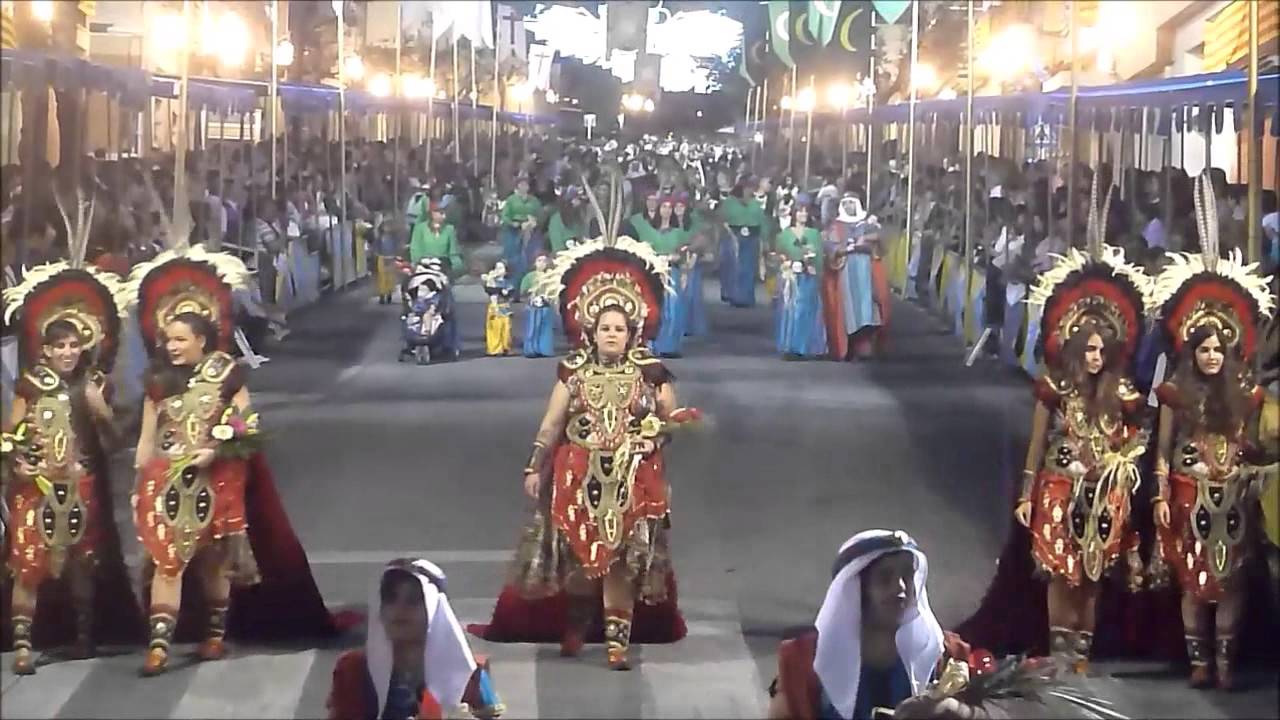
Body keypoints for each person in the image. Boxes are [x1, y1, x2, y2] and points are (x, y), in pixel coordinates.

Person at [469, 198, 696, 670]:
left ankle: (616, 644)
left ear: (632, 330)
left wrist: (655, 435)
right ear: (590, 331)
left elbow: (672, 418)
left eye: (619, 327)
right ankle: (574, 628)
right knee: (578, 563)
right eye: (604, 328)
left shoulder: (650, 370)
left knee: (619, 564)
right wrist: (535, 465)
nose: (612, 334)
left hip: (633, 479)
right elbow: (552, 422)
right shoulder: (572, 371)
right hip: (577, 476)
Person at [959, 181, 1159, 671]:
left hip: (1104, 497)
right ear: (1073, 348)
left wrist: (1124, 462)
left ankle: (1082, 651)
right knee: (1056, 572)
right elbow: (1037, 441)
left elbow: (1141, 437)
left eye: (1101, 351)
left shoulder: (1125, 395)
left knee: (1091, 576)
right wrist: (1028, 493)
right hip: (1056, 488)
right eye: (1087, 349)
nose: (1094, 357)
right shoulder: (1054, 388)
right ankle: (1057, 645)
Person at [129, 246, 351, 676]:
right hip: (167, 484)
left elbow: (247, 424)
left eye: (180, 339)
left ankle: (214, 635)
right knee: (167, 562)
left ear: (201, 339)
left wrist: (215, 448)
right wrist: (139, 487)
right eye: (167, 339)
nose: (172, 346)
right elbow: (145, 439)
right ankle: (158, 646)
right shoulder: (158, 379)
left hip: (215, 483)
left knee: (214, 563)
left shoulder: (227, 374)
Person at [1147, 174, 1277, 690]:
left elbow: (1255, 444)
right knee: (1191, 580)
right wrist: (1159, 494)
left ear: (1228, 354)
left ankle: (1225, 664)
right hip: (1185, 491)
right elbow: (1162, 451)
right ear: (1191, 351)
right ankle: (1199, 662)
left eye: (1218, 350)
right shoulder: (1174, 394)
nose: (1210, 356)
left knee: (1234, 584)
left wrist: (1253, 469)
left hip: (1234, 498)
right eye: (1203, 349)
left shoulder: (1248, 396)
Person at [2, 266, 142, 674]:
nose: (66, 352)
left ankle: (84, 636)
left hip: (80, 487)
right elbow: (10, 435)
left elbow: (116, 442)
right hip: (37, 488)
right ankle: (25, 645)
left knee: (83, 564)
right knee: (28, 565)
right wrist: (22, 463)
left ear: (84, 348)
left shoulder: (91, 387)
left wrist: (102, 413)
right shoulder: (29, 386)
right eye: (58, 346)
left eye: (73, 345)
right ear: (43, 350)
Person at [767, 530, 996, 720]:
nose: (900, 588)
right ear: (856, 591)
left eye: (907, 576)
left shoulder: (945, 653)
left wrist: (955, 711)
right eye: (884, 577)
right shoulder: (804, 661)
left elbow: (991, 711)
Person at [328, 559, 503, 720]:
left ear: (435, 611)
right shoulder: (353, 669)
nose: (399, 608)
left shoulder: (469, 673)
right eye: (390, 598)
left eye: (413, 600)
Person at [823, 195, 891, 361]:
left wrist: (865, 239)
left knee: (869, 308)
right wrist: (843, 249)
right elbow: (830, 246)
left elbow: (880, 242)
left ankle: (866, 345)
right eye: (846, 205)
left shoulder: (867, 226)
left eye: (852, 205)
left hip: (866, 270)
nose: (849, 208)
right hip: (846, 269)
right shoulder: (836, 227)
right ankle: (850, 346)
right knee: (848, 310)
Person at [774, 198, 827, 360]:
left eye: (806, 211)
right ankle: (791, 347)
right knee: (791, 311)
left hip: (808, 278)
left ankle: (808, 346)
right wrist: (785, 262)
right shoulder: (784, 235)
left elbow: (819, 257)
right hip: (791, 278)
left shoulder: (814, 234)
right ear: (794, 213)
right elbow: (778, 255)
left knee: (806, 310)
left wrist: (812, 265)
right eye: (800, 210)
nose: (803, 214)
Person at [635, 196, 687, 358]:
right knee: (655, 308)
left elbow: (683, 255)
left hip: (672, 272)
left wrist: (674, 259)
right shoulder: (648, 231)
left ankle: (670, 346)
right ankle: (652, 343)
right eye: (663, 206)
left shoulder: (678, 233)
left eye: (669, 207)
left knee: (673, 309)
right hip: (654, 273)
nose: (666, 210)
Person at [719, 174, 767, 307]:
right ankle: (733, 295)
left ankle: (746, 297)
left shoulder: (756, 204)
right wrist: (730, 235)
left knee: (749, 268)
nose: (750, 190)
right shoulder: (729, 202)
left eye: (752, 188)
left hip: (751, 239)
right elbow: (722, 220)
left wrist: (763, 240)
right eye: (748, 187)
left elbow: (762, 223)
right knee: (734, 267)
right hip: (733, 237)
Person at [500, 176, 542, 283]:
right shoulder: (511, 200)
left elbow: (541, 214)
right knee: (514, 259)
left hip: (531, 230)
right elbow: (504, 216)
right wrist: (515, 224)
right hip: (515, 231)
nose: (524, 186)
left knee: (531, 257)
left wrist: (535, 221)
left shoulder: (534, 200)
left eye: (526, 184)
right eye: (521, 184)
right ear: (517, 186)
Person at [409, 202, 463, 277]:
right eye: (441, 213)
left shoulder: (450, 229)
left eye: (445, 213)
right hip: (424, 265)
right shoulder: (420, 228)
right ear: (432, 213)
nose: (444, 216)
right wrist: (417, 263)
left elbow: (453, 252)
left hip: (443, 266)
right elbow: (415, 250)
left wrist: (458, 267)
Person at [520, 255, 556, 358]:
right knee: (533, 328)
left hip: (546, 306)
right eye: (539, 260)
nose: (542, 263)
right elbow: (523, 291)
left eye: (544, 261)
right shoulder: (529, 277)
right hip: (533, 307)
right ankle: (531, 350)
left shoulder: (551, 276)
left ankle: (545, 350)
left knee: (545, 328)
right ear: (535, 263)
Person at [483, 261, 515, 357]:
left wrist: (507, 293)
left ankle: (506, 347)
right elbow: (490, 291)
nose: (499, 270)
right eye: (497, 268)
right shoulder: (492, 281)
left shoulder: (508, 283)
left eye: (501, 268)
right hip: (495, 306)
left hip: (505, 307)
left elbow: (511, 293)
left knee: (506, 328)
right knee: (495, 328)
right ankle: (494, 349)